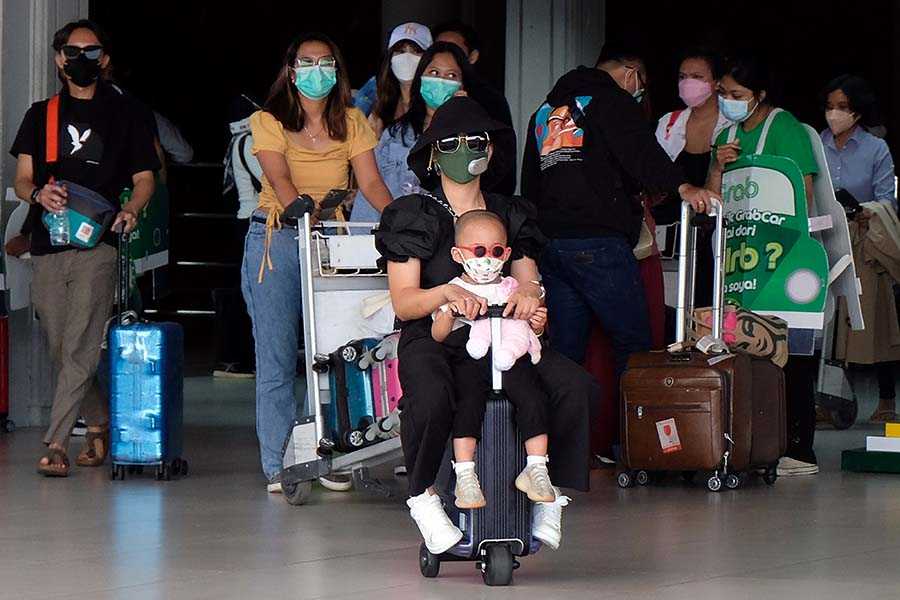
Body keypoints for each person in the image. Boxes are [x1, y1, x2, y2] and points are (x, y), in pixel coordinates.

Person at [376, 96, 592, 555]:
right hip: (436, 333)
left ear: (490, 151)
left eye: (476, 140)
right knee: (432, 395)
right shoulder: (414, 213)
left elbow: (529, 279)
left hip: (505, 331)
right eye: (451, 142)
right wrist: (449, 296)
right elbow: (405, 300)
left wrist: (533, 297)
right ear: (434, 155)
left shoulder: (510, 213)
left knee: (573, 384)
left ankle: (552, 496)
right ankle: (423, 497)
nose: (465, 149)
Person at [9, 19, 160, 477]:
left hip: (99, 242)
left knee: (78, 344)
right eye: (73, 52)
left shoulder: (128, 113)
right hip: (48, 241)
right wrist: (37, 194)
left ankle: (56, 442)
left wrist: (132, 208)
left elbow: (145, 178)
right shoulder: (41, 114)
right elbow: (21, 179)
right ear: (59, 59)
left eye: (92, 52)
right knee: (60, 346)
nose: (82, 60)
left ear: (105, 58)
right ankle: (98, 422)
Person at [244, 32, 391, 492]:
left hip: (330, 242)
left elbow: (370, 181)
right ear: (291, 71)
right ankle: (276, 462)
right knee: (277, 356)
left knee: (328, 351)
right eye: (306, 62)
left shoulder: (352, 120)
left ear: (337, 71)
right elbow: (278, 174)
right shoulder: (268, 120)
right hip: (278, 239)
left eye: (325, 62)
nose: (316, 70)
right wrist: (295, 207)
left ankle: (328, 454)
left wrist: (400, 221)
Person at [520, 43, 716, 375]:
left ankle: (565, 428)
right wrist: (683, 186)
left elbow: (530, 182)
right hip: (599, 242)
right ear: (630, 72)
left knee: (566, 354)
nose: (639, 90)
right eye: (641, 81)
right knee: (635, 346)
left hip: (553, 246)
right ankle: (636, 426)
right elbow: (640, 152)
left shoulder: (544, 110)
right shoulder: (613, 100)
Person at [705, 53, 820, 477]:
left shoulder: (785, 128)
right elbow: (712, 198)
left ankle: (800, 448)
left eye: (738, 95)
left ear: (760, 95)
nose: (728, 101)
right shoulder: (727, 135)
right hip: (739, 256)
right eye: (724, 93)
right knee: (745, 347)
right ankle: (755, 442)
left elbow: (801, 194)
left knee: (790, 350)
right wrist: (719, 165)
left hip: (782, 253)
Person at [431, 210, 552, 509]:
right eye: (479, 251)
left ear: (507, 254)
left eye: (496, 252)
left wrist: (536, 320)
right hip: (472, 357)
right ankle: (465, 475)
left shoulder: (511, 287)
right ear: (458, 255)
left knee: (533, 397)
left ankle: (536, 467)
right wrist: (450, 311)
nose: (487, 259)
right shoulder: (456, 289)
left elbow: (532, 320)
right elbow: (438, 334)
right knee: (468, 402)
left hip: (509, 355)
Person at [350, 41, 501, 223]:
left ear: (463, 85)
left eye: (451, 75)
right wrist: (400, 220)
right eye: (434, 73)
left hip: (447, 233)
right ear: (420, 78)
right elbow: (372, 184)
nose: (441, 80)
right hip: (383, 230)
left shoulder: (473, 137)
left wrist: (465, 116)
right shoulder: (396, 133)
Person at [820, 75, 899, 422]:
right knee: (829, 326)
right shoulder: (815, 144)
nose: (833, 114)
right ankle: (828, 401)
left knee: (875, 320)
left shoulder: (875, 148)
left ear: (857, 112)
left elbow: (888, 200)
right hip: (824, 239)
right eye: (829, 106)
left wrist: (868, 212)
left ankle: (886, 401)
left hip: (864, 239)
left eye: (842, 107)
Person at [655, 47, 731, 306]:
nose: (688, 83)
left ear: (717, 83)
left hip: (718, 231)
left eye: (697, 77)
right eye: (682, 76)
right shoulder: (668, 122)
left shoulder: (732, 125)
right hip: (674, 234)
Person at [432, 20, 516, 195]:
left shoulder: (489, 100)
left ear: (472, 56)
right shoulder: (417, 103)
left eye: (454, 49)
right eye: (439, 47)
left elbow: (503, 157)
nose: (447, 54)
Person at [214, 94, 263, 379]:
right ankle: (239, 357)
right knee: (250, 294)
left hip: (245, 222)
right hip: (251, 223)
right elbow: (269, 178)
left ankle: (237, 355)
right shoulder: (250, 142)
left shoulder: (238, 141)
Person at [353, 22, 432, 124]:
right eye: (401, 51)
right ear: (390, 58)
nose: (407, 57)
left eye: (416, 51)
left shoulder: (433, 104)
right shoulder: (377, 97)